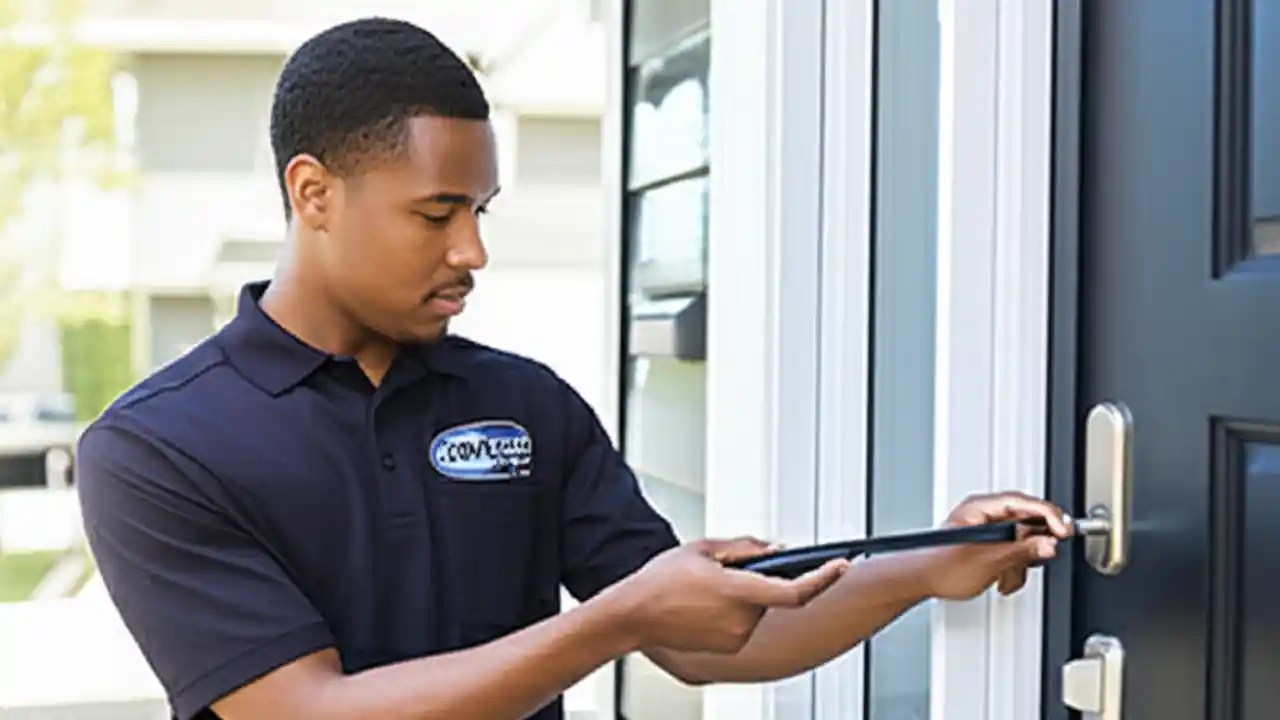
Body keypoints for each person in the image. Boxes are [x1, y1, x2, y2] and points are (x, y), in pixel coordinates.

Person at [74, 17, 1072, 720]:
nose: (471, 251)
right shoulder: (158, 449)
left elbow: (702, 638)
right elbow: (305, 712)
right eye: (436, 213)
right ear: (314, 193)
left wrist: (923, 569)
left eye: (481, 211)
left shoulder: (523, 403)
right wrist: (613, 621)